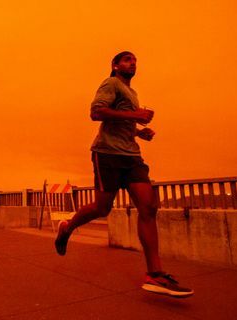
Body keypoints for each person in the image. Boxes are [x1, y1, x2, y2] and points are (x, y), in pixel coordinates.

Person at [54, 51, 194, 298]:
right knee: (102, 208)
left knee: (148, 207)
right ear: (116, 65)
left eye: (135, 60)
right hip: (107, 154)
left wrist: (140, 132)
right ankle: (67, 226)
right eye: (128, 60)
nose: (133, 63)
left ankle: (155, 274)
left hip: (131, 156)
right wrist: (136, 115)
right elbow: (96, 112)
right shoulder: (111, 83)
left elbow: (123, 123)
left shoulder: (132, 92)